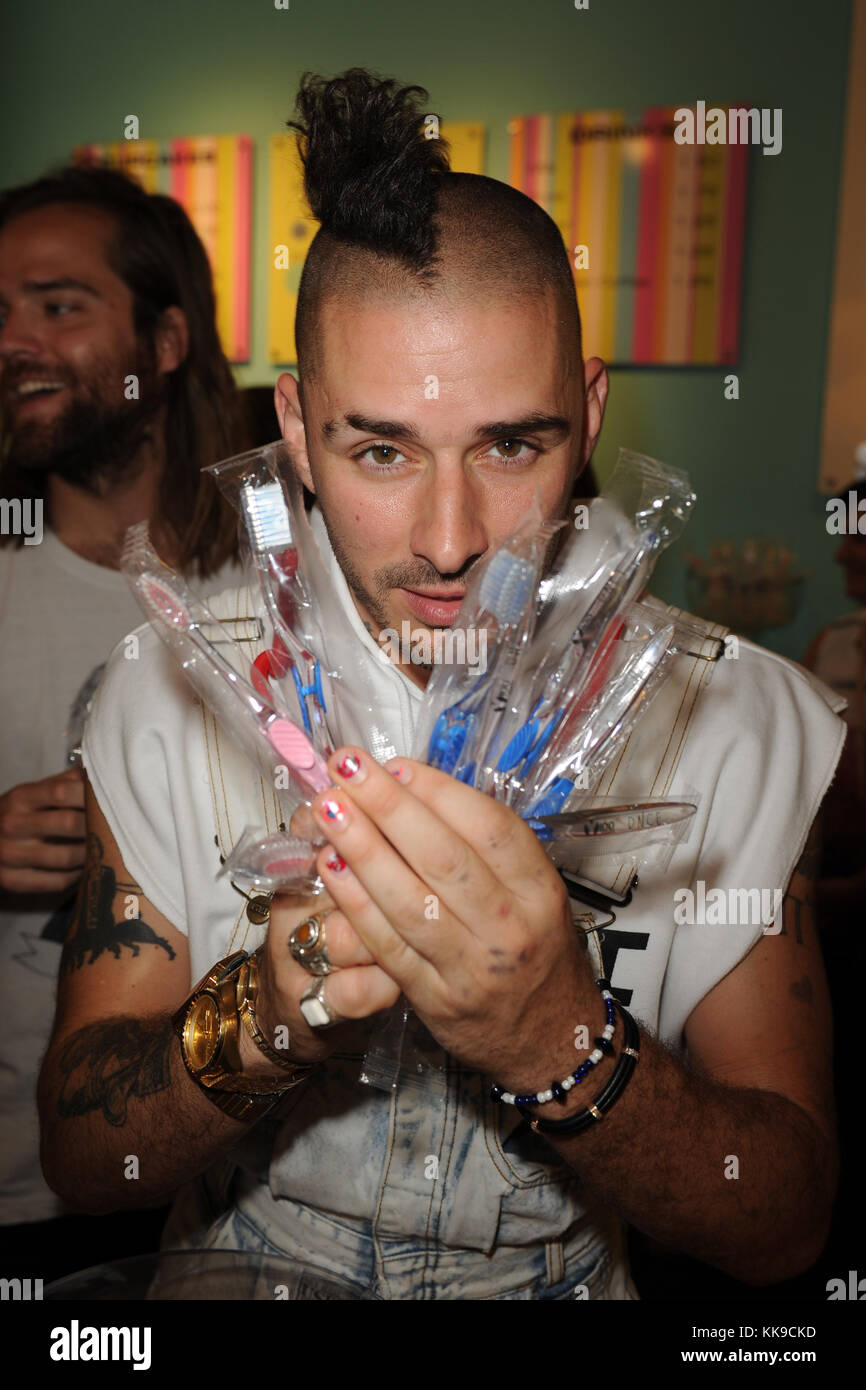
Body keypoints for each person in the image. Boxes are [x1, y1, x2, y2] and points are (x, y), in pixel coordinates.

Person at [38, 71, 845, 1300]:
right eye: (380, 451)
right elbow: (90, 1163)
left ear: (585, 417)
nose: (450, 538)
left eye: (511, 444)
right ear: (297, 433)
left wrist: (558, 1040)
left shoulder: (720, 713)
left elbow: (781, 1225)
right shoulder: (177, 687)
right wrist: (269, 1012)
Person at [0, 165, 242, 1279]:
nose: (16, 341)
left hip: (250, 1191)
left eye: (57, 305)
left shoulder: (281, 592)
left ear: (167, 338)